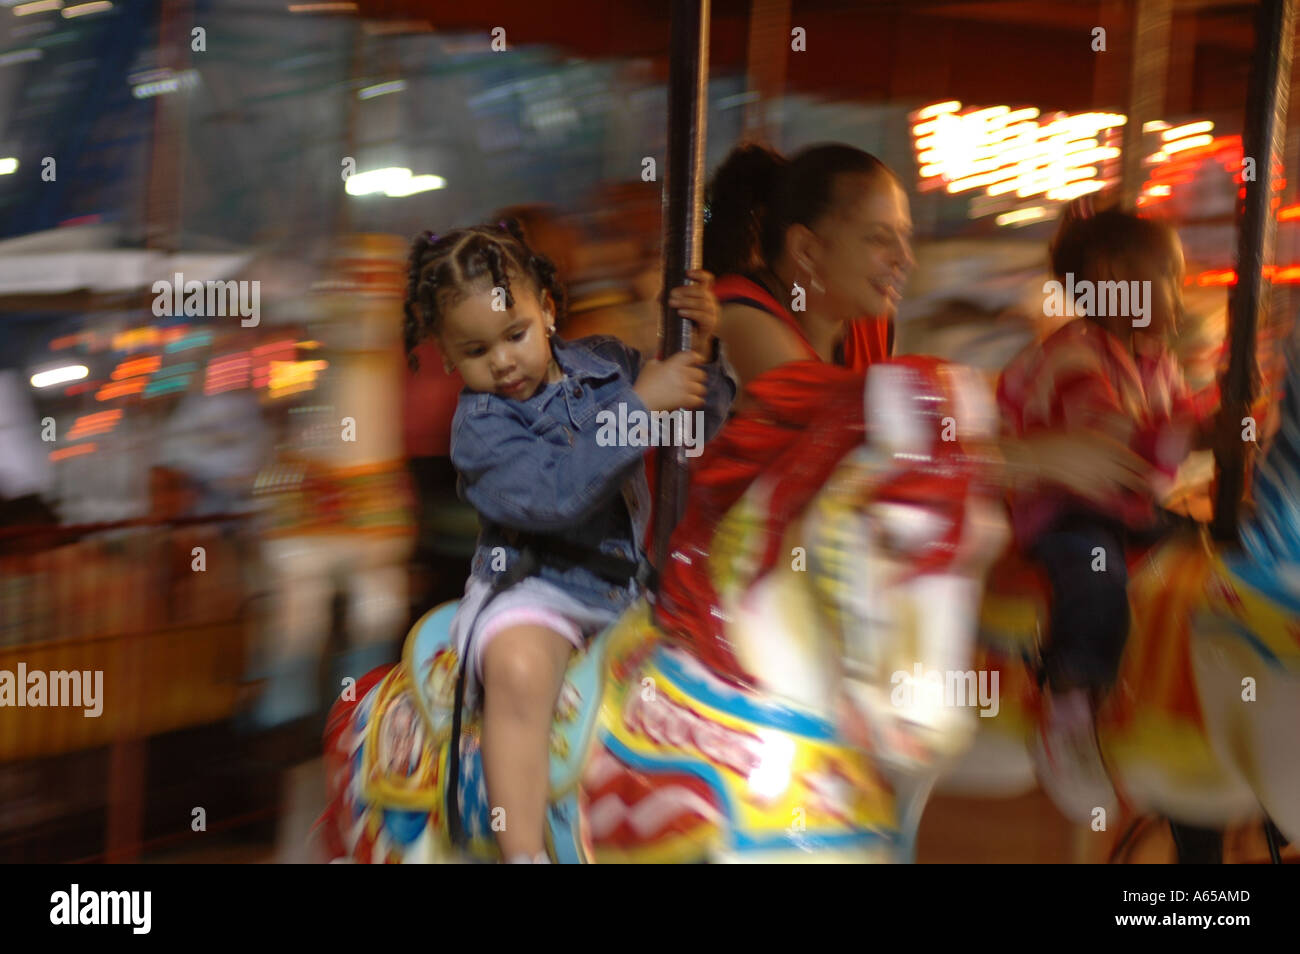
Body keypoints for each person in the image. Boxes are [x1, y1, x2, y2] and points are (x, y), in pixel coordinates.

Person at [402, 220, 734, 862]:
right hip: (536, 590)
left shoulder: (608, 364)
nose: (501, 361)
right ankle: (523, 849)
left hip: (632, 588)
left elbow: (699, 431)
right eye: (474, 351)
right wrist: (639, 408)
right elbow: (553, 492)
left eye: (515, 334)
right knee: (521, 669)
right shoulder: (480, 427)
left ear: (548, 311)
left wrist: (706, 343)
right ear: (447, 354)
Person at [997, 203, 1218, 815]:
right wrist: (1200, 431)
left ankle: (1168, 699)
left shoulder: (1156, 362)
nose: (1180, 291)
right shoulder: (1073, 356)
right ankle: (1069, 700)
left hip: (1127, 508)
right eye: (1167, 276)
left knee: (1205, 554)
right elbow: (1116, 443)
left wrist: (1222, 414)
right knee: (1097, 573)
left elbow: (1173, 438)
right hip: (1067, 512)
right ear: (1110, 276)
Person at [702, 143, 905, 398]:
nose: (904, 257)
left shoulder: (872, 324)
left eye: (904, 235)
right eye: (879, 238)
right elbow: (838, 425)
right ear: (807, 250)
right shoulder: (742, 320)